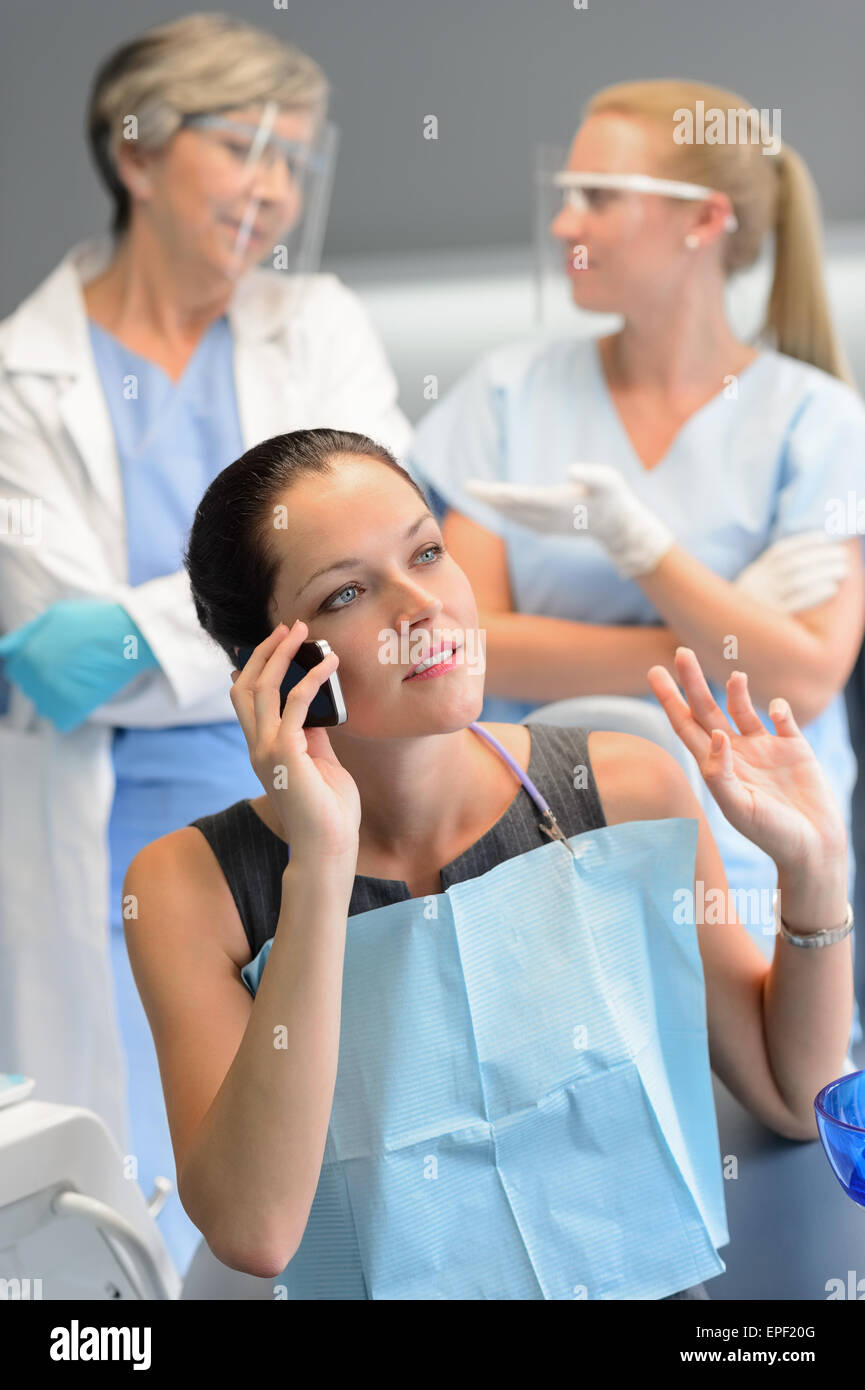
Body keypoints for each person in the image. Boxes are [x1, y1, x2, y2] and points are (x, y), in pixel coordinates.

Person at [121, 427, 854, 1300]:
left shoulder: (622, 790)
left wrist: (812, 876)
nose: (418, 605)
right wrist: (319, 865)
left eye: (426, 552)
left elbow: (789, 1091)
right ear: (269, 668)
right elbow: (256, 1231)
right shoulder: (187, 887)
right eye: (347, 591)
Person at [0, 14, 409, 1276]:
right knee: (156, 1192)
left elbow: (365, 571)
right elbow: (59, 646)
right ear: (136, 157)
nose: (275, 186)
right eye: (243, 147)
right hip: (122, 835)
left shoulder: (318, 323)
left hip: (323, 799)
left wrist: (130, 628)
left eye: (294, 157)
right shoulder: (24, 374)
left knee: (352, 1151)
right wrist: (279, 601)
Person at [405, 79, 865, 995]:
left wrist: (641, 547)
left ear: (703, 222)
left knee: (765, 1104)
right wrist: (709, 637)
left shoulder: (813, 422)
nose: (564, 223)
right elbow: (470, 651)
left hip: (746, 848)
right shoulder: (507, 395)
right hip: (531, 843)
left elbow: (807, 679)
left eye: (597, 197)